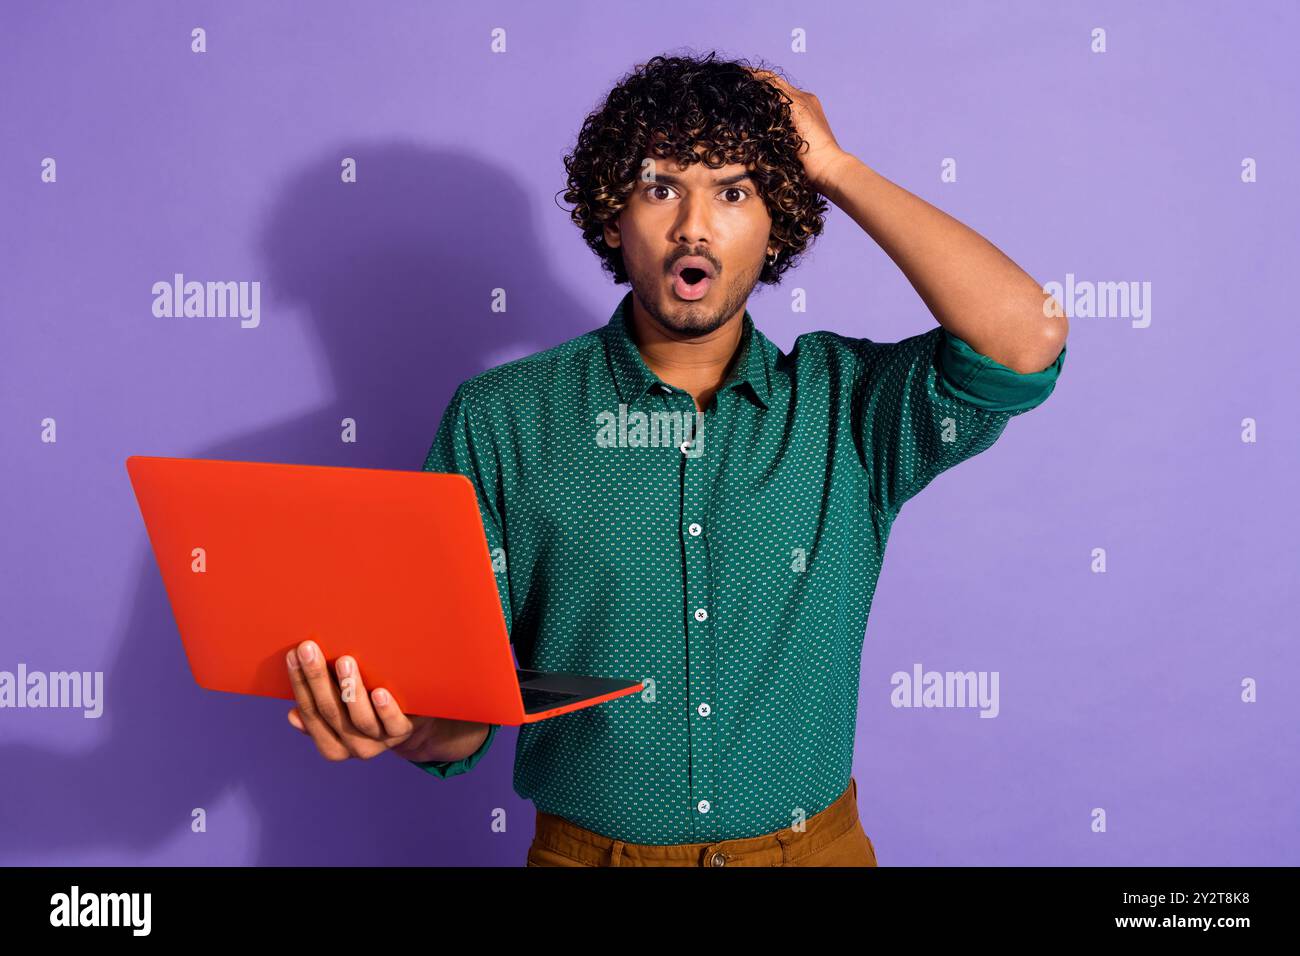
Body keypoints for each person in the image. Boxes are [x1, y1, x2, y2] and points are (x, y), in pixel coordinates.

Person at [282, 52, 1068, 867]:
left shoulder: (847, 406)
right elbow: (463, 712)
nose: (694, 225)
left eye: (734, 192)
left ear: (778, 223)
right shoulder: (501, 418)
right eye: (660, 188)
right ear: (611, 214)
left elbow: (1026, 338)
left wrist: (834, 165)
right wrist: (407, 727)